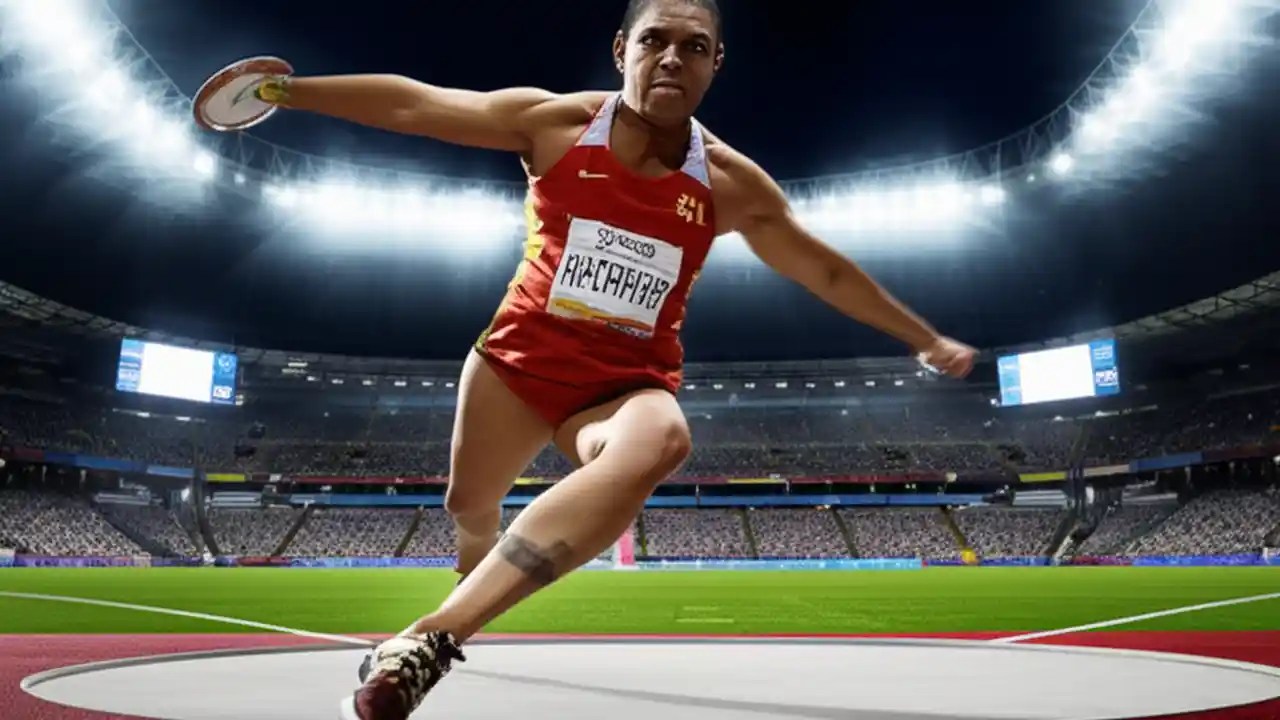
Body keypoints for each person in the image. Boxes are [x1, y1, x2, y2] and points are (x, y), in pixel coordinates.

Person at [237, 0, 975, 717]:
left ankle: (429, 641)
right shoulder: (557, 126)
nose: (671, 58)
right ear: (621, 51)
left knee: (665, 438)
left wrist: (925, 338)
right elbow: (417, 105)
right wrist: (285, 91)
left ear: (716, 65)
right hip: (516, 368)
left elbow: (827, 271)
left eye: (693, 47)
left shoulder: (730, 185)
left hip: (623, 388)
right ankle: (473, 554)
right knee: (468, 506)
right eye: (655, 40)